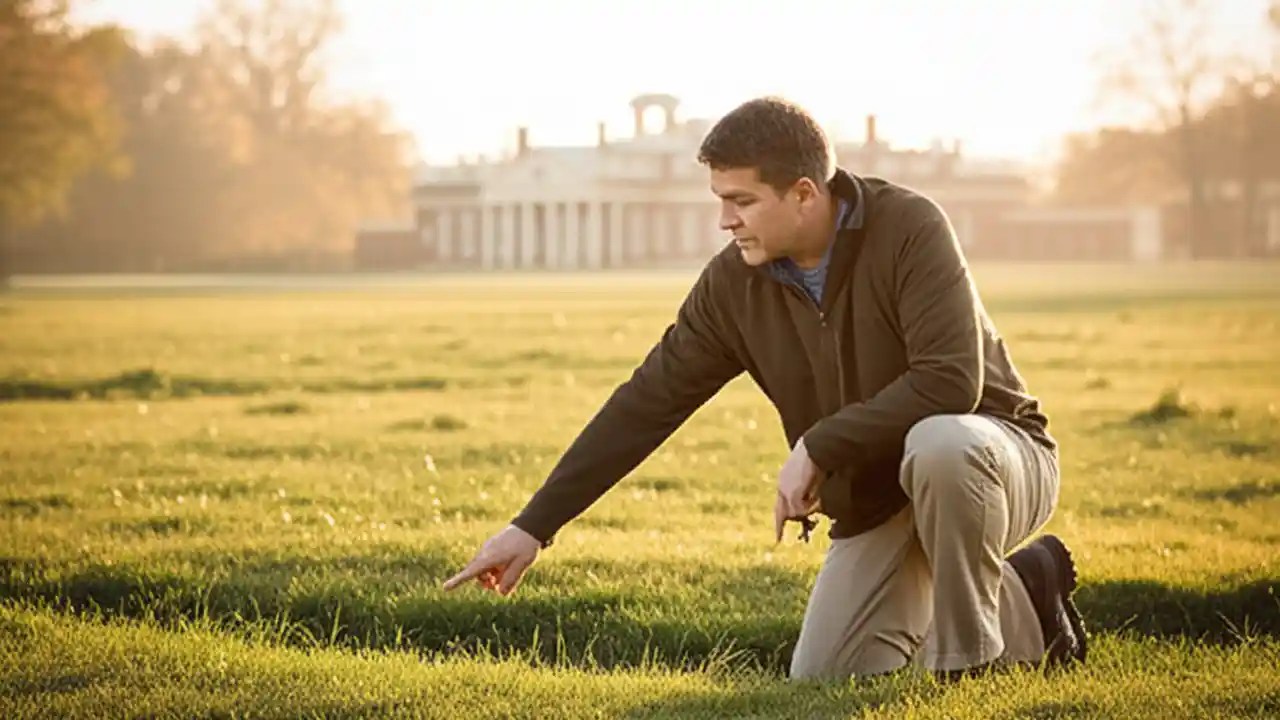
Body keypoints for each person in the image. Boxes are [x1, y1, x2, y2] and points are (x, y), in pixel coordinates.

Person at [443, 96, 1086, 682]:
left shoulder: (909, 226)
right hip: (878, 498)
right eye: (719, 200)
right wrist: (533, 526)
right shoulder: (733, 286)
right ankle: (1029, 592)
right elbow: (646, 404)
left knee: (941, 444)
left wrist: (819, 445)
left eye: (742, 202)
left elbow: (950, 380)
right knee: (826, 676)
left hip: (994, 459)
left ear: (804, 194)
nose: (724, 220)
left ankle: (969, 668)